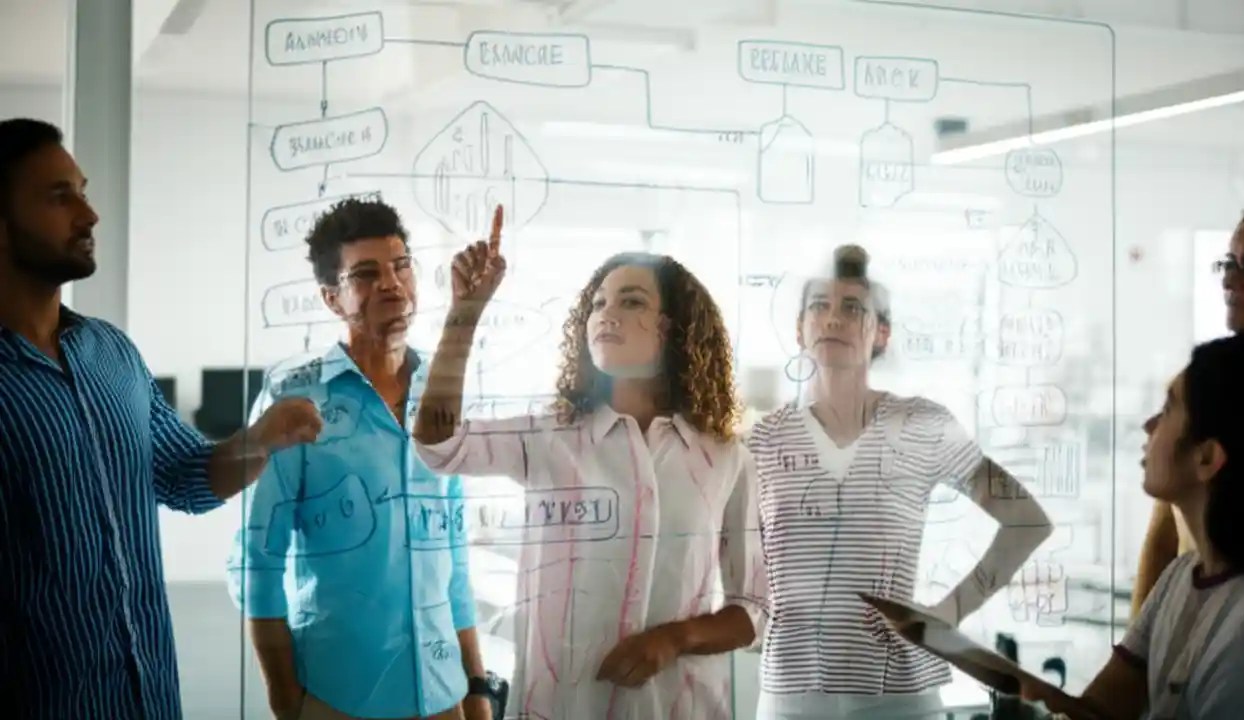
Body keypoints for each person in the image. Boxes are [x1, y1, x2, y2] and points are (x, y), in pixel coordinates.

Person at [0, 117, 322, 719]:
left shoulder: (112, 354)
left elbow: (186, 475)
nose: (89, 214)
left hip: (149, 700)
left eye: (83, 191)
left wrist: (258, 440)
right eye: (59, 197)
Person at [412, 206, 766, 719]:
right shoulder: (546, 437)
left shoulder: (726, 459)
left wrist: (673, 639)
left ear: (674, 329)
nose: (606, 314)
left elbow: (752, 610)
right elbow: (438, 445)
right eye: (598, 303)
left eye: (631, 300)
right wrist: (464, 313)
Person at [747, 245, 1053, 719]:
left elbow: (1027, 521)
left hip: (899, 696)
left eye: (853, 308)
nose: (834, 319)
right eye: (820, 306)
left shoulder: (921, 424)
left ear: (881, 331)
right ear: (799, 328)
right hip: (791, 695)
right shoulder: (763, 440)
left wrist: (951, 611)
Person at [227, 199, 493, 720]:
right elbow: (257, 562)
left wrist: (476, 688)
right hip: (338, 695)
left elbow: (453, 557)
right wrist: (288, 702)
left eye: (401, 266)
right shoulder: (295, 400)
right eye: (366, 275)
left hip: (444, 695)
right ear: (332, 298)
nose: (391, 285)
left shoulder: (443, 393)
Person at [1022, 332, 1244, 718]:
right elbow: (1104, 707)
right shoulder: (1180, 576)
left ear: (1206, 458)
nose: (1148, 424)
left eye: (1168, 408)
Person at [1131, 205, 1244, 613]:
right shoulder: (1203, 383)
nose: (1230, 280)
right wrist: (1143, 634)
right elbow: (1165, 535)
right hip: (1195, 618)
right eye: (1229, 263)